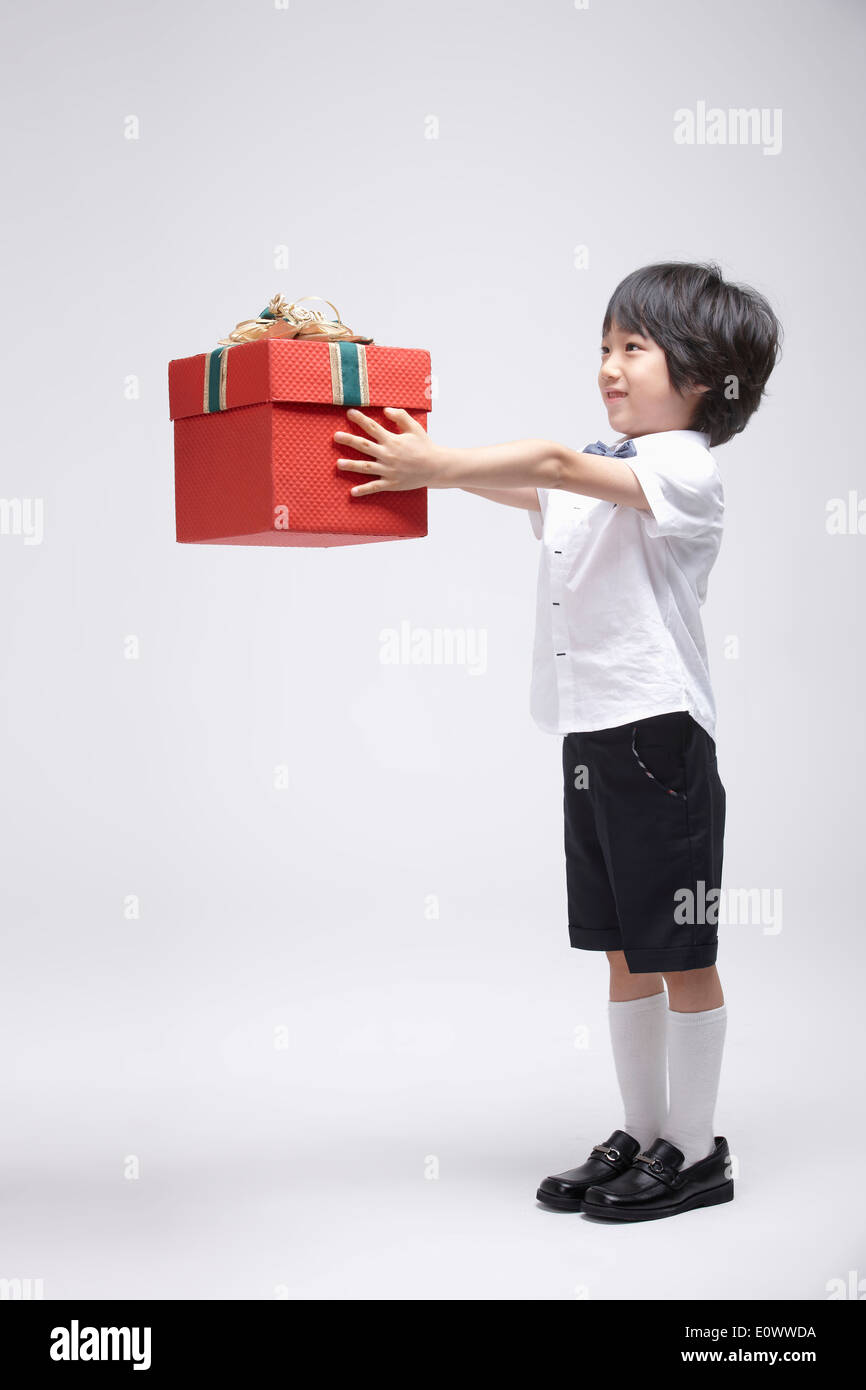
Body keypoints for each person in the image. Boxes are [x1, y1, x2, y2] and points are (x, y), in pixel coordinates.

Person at [332, 260, 783, 1223]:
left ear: (702, 375)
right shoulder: (608, 466)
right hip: (593, 732)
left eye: (635, 348)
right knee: (623, 948)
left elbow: (545, 466)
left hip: (662, 740)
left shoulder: (683, 469)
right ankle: (644, 1131)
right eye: (605, 347)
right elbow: (539, 492)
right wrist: (436, 466)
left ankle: (698, 1152)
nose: (609, 367)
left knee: (681, 950)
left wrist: (441, 464)